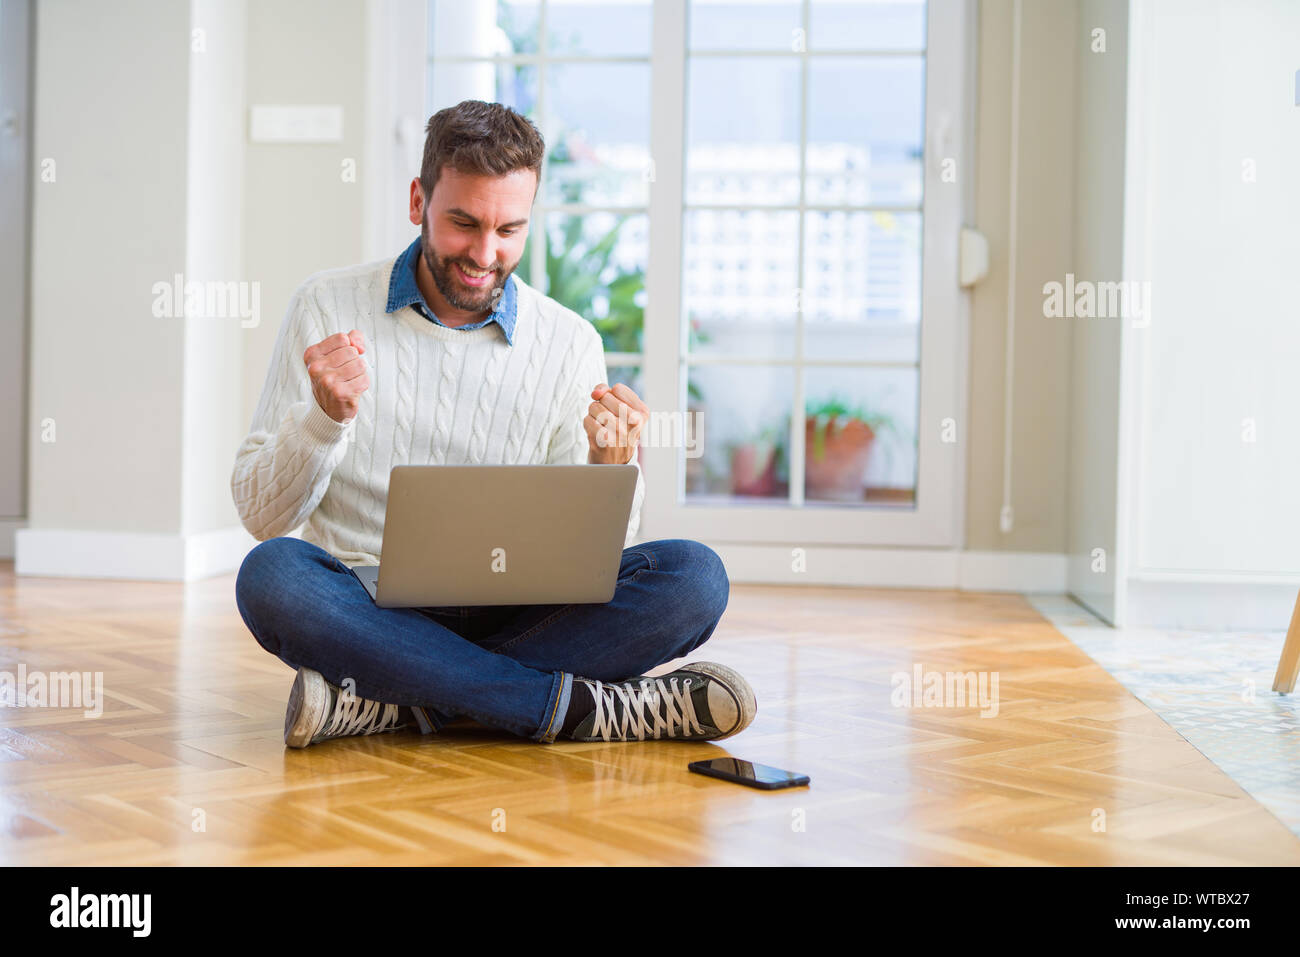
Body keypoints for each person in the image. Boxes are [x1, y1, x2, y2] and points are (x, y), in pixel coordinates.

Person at [231, 100, 756, 749]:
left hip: (520, 609)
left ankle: (392, 701)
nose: (485, 253)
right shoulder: (326, 305)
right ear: (419, 199)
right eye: (464, 222)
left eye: (510, 229)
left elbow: (594, 560)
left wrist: (611, 468)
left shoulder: (568, 340)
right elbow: (261, 515)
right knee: (272, 576)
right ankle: (572, 707)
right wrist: (322, 420)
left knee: (695, 577)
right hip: (367, 607)